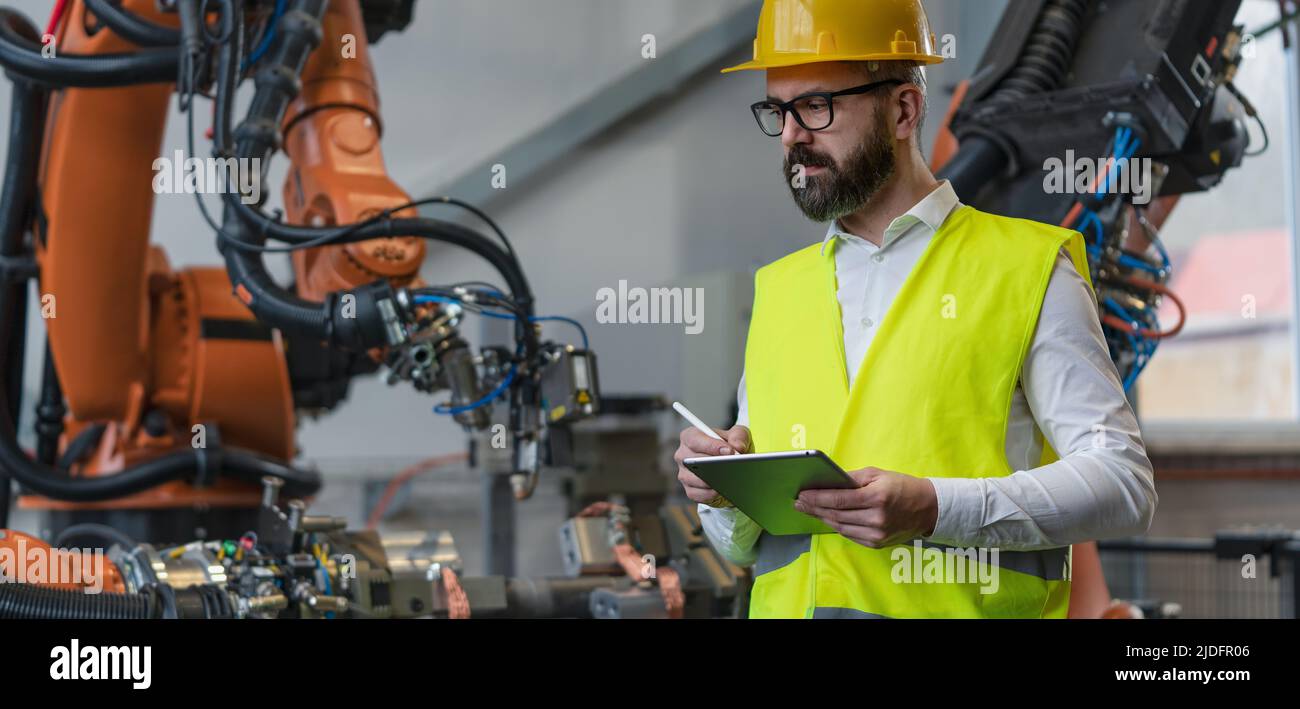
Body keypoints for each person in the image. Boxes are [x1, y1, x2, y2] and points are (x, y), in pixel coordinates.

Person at [673, 0, 1156, 618]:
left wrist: (935, 507)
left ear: (903, 108)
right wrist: (723, 494)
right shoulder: (778, 291)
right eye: (778, 111)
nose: (793, 135)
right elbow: (744, 550)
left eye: (816, 106)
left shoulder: (1025, 269)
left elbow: (1123, 484)